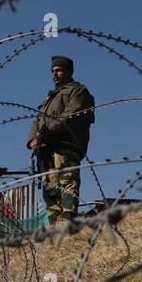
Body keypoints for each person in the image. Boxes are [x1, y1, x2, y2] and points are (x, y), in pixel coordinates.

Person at [27, 55, 95, 225]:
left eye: (58, 70)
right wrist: (32, 140)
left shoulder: (77, 91)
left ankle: (69, 220)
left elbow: (70, 116)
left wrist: (46, 132)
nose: (54, 74)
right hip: (46, 150)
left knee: (67, 183)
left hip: (65, 146)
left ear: (69, 71)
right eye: (52, 71)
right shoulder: (48, 99)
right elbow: (37, 121)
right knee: (50, 188)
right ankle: (55, 225)